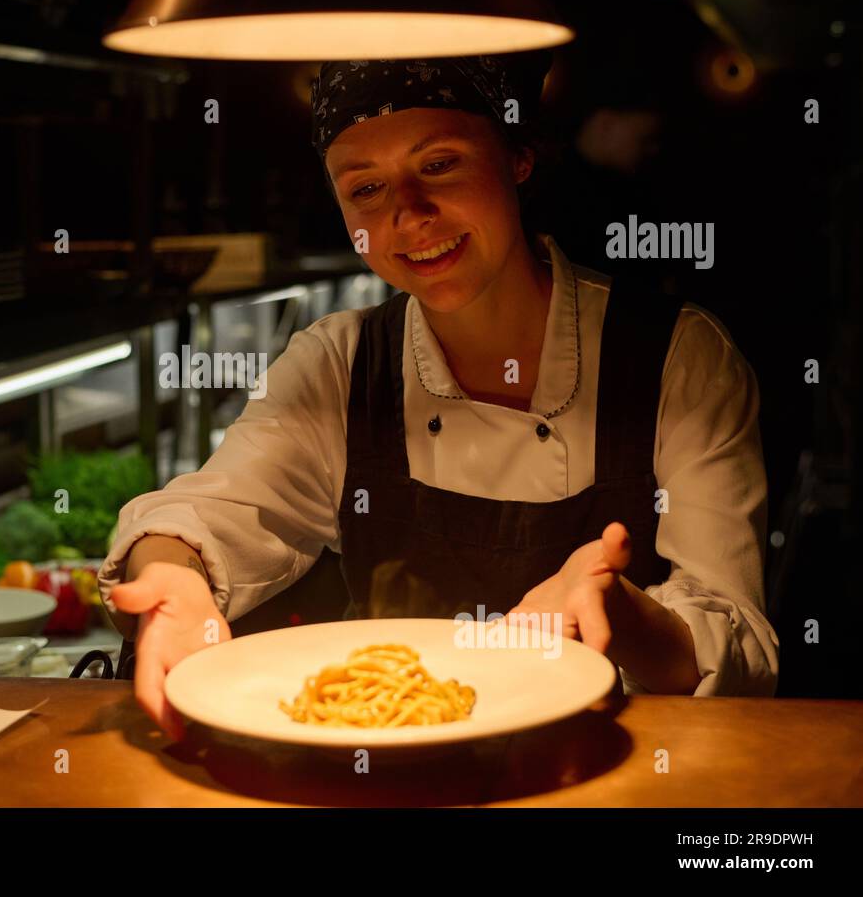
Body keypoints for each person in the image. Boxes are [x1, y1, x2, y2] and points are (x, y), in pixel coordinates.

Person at [97, 54, 779, 741]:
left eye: (440, 165)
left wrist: (623, 612)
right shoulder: (340, 363)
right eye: (365, 189)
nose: (408, 215)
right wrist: (173, 579)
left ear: (517, 156)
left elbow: (746, 653)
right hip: (383, 775)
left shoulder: (676, 358)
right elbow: (210, 511)